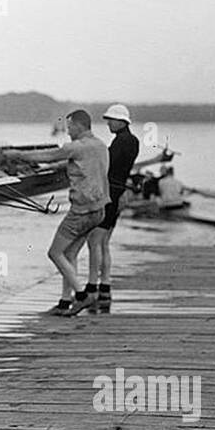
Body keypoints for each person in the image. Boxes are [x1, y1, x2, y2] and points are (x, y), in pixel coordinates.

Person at [6, 108, 109, 316]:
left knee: (54, 253)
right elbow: (79, 163)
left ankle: (82, 296)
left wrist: (17, 155)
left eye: (69, 126)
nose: (67, 129)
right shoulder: (100, 145)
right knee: (69, 254)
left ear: (79, 126)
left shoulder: (76, 146)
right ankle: (65, 302)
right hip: (99, 210)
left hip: (81, 212)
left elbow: (49, 155)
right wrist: (52, 167)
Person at [86, 104, 139, 312]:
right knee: (104, 242)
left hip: (109, 194)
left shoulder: (120, 142)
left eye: (111, 120)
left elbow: (105, 167)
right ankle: (105, 286)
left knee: (94, 241)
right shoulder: (132, 141)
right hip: (118, 194)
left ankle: (92, 287)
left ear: (121, 122)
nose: (108, 123)